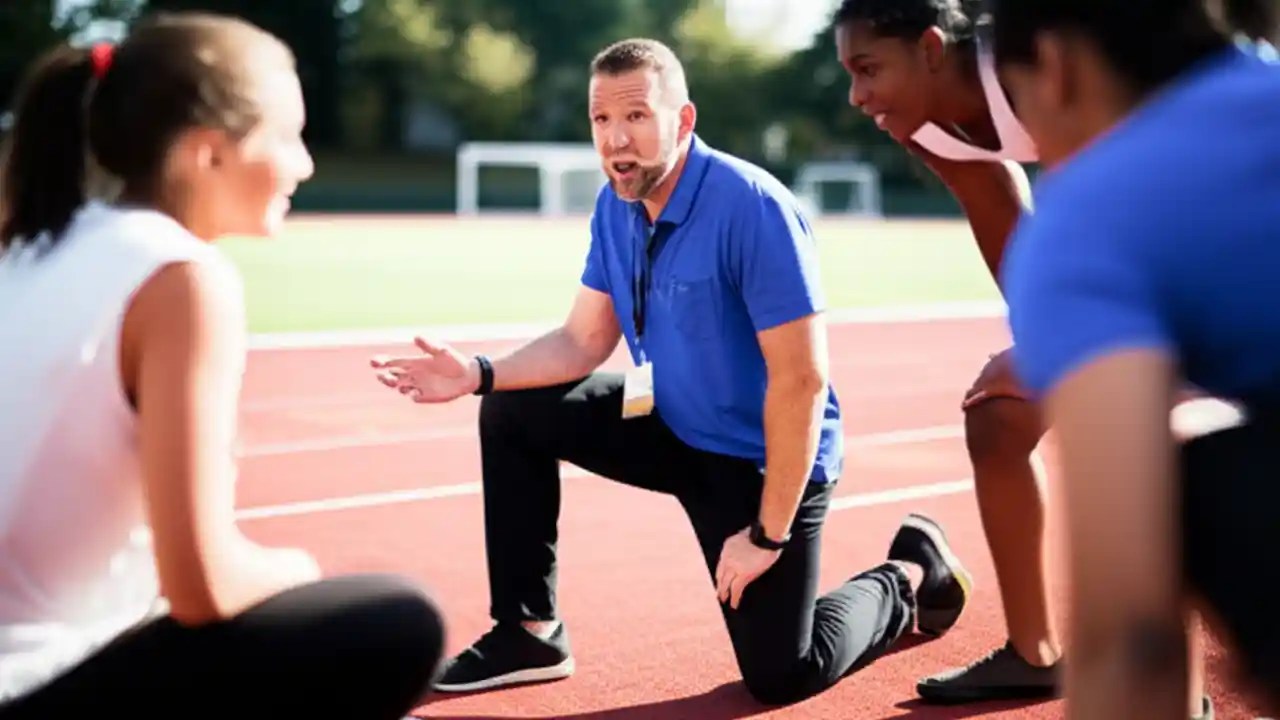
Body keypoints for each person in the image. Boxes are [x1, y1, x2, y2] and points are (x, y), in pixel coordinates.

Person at [372, 37, 972, 706]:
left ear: (682, 121)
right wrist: (479, 373)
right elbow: (581, 340)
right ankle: (529, 632)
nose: (614, 139)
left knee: (783, 675)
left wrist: (766, 534)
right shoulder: (615, 205)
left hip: (761, 460)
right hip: (671, 423)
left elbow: (801, 383)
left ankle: (909, 570)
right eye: (601, 120)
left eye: (635, 117)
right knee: (514, 408)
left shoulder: (753, 207)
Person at [830, 0, 1273, 712]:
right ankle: (1034, 652)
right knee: (999, 420)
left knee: (1164, 467)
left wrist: (1076, 339)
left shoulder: (1089, 184)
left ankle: (1185, 698)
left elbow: (1126, 640)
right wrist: (1054, 339)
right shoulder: (940, 133)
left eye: (867, 68)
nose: (856, 96)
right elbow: (1005, 224)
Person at [0, 12, 443, 719]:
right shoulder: (182, 276)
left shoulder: (30, 246)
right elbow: (201, 586)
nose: (305, 163)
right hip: (31, 684)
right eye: (288, 137)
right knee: (396, 621)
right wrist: (296, 570)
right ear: (208, 155)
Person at [991, 0, 1280, 717]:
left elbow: (1129, 635)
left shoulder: (1087, 218)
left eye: (1017, 103)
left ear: (1054, 67)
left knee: (1194, 485)